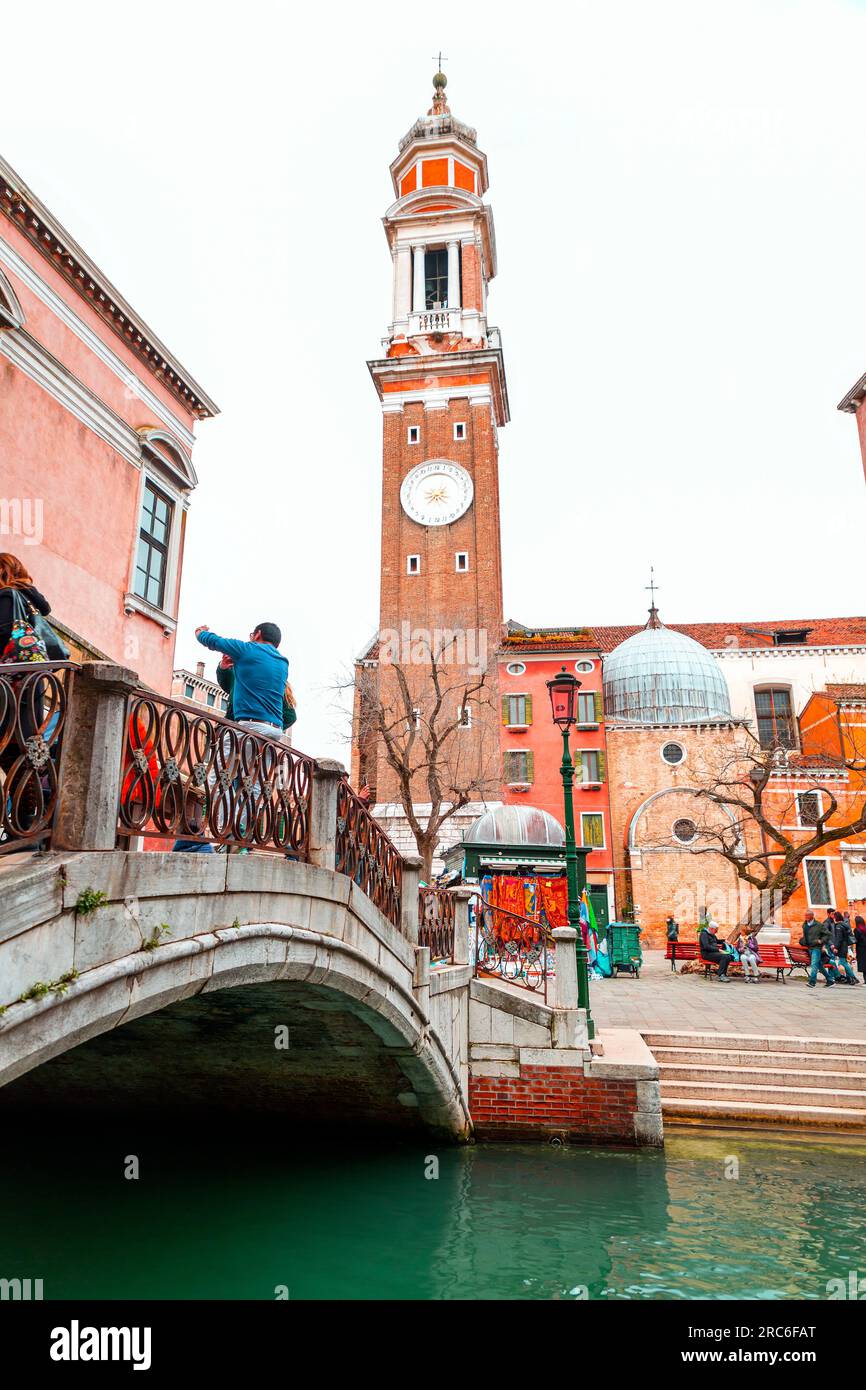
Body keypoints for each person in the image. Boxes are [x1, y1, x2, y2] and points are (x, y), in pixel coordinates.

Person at [195, 622, 288, 739]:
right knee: (256, 758)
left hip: (251, 726)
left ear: (258, 634)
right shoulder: (282, 662)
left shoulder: (248, 649)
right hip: (275, 731)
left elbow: (214, 641)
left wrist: (200, 632)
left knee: (223, 757)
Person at [800, 911, 837, 988]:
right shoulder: (805, 925)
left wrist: (821, 941)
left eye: (807, 915)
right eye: (805, 915)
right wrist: (803, 941)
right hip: (809, 947)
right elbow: (806, 936)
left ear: (812, 916)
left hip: (816, 948)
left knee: (814, 964)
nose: (806, 917)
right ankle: (830, 980)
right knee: (819, 965)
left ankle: (812, 982)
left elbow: (828, 934)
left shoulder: (819, 925)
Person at [830, 911, 859, 985]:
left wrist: (836, 947)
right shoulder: (844, 924)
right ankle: (849, 978)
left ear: (836, 918)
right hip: (844, 946)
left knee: (843, 962)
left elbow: (839, 938)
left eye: (834, 917)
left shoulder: (839, 926)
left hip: (841, 947)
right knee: (843, 962)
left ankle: (853, 978)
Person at [854, 915, 866, 984]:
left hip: (861, 949)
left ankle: (865, 980)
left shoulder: (857, 930)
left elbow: (856, 940)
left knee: (864, 965)